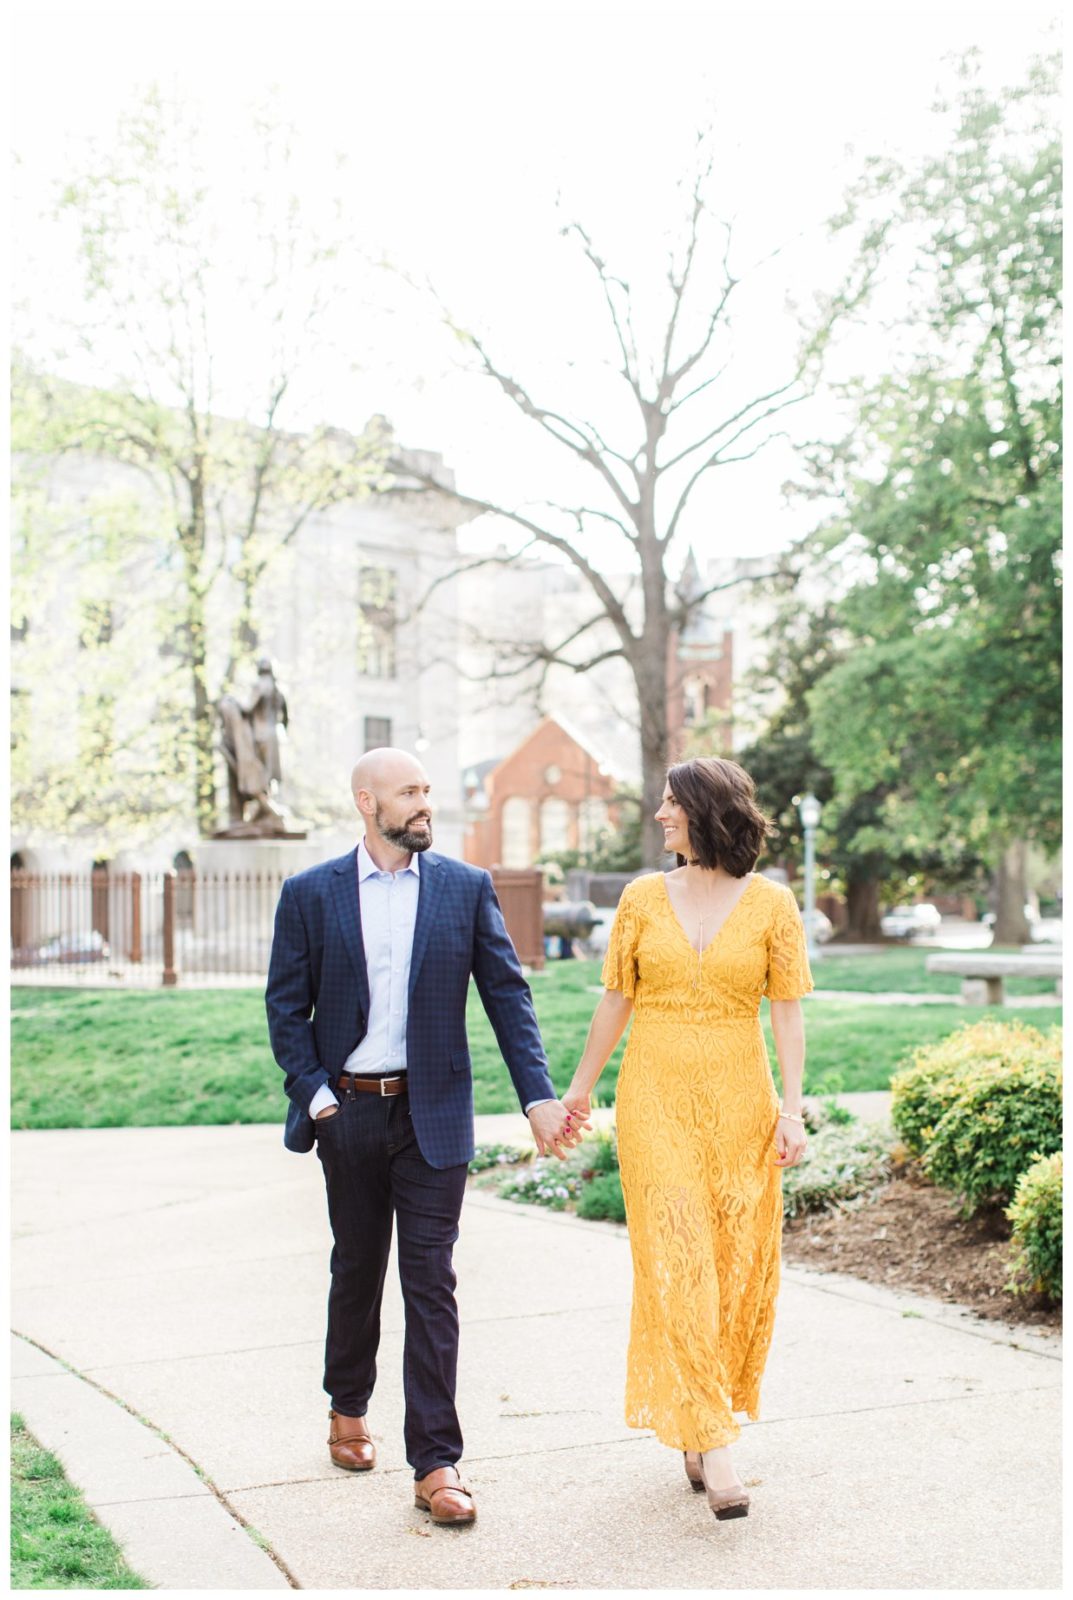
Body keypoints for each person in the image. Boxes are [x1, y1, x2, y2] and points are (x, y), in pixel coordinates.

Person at [265, 747, 580, 1527]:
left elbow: (507, 995)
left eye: (427, 791)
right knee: (358, 1265)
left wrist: (536, 1097)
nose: (424, 804)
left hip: (434, 1114)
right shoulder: (310, 893)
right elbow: (284, 1007)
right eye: (409, 793)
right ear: (367, 803)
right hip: (349, 1112)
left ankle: (436, 1461)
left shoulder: (464, 889)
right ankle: (346, 1405)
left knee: (430, 1281)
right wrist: (315, 1096)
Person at [562, 756, 811, 1521]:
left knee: (736, 1265)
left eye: (671, 805)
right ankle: (717, 1441)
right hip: (655, 1103)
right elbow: (615, 1000)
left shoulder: (771, 904)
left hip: (742, 1103)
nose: (660, 816)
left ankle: (702, 1418)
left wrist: (792, 1110)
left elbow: (789, 1010)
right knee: (677, 1260)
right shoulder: (641, 898)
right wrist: (577, 1090)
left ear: (705, 812)